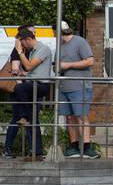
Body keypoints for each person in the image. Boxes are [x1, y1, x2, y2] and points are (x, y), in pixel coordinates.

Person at [4, 27, 53, 158]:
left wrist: (20, 52)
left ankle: (25, 117)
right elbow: (28, 70)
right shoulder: (28, 50)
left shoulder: (41, 49)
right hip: (29, 87)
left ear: (28, 39)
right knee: (31, 118)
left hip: (37, 86)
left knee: (27, 114)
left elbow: (30, 66)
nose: (22, 46)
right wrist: (23, 73)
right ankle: (36, 150)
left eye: (23, 43)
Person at [57, 20, 99, 159]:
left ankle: (87, 147)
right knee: (69, 117)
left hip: (79, 86)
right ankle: (73, 146)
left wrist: (68, 65)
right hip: (64, 86)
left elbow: (90, 61)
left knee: (81, 116)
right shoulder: (60, 46)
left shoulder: (80, 42)